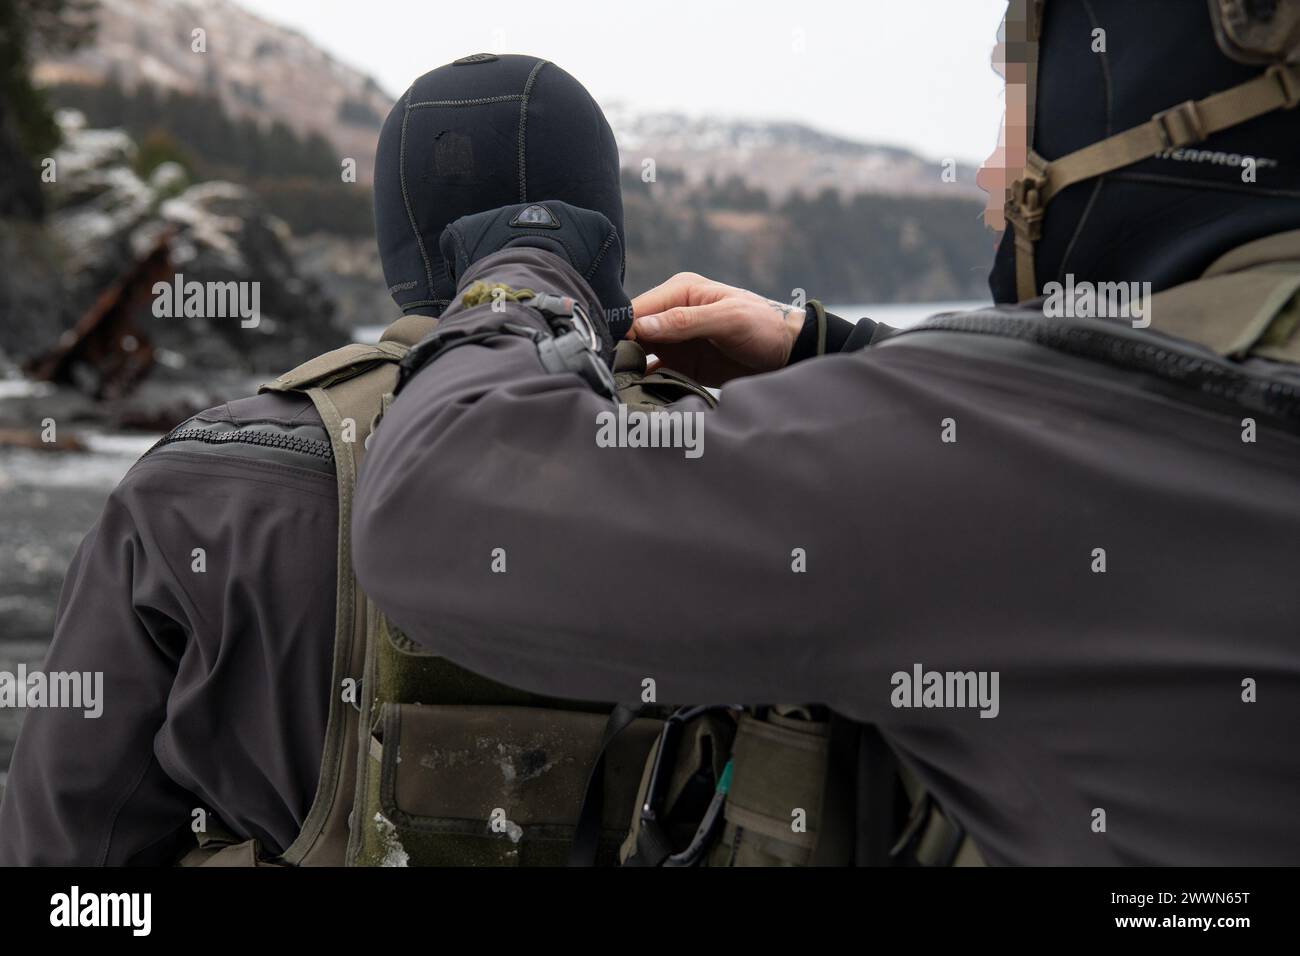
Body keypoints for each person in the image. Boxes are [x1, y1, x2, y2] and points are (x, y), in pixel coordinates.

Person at [349, 0, 1300, 865]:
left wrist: (522, 274)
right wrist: (830, 350)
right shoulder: (1103, 438)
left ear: (1147, 111)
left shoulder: (1019, 451)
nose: (990, 171)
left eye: (1021, 111)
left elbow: (435, 507)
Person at [0, 54, 643, 865]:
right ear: (604, 235)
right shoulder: (732, 463)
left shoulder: (194, 488)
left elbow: (63, 861)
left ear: (399, 249)